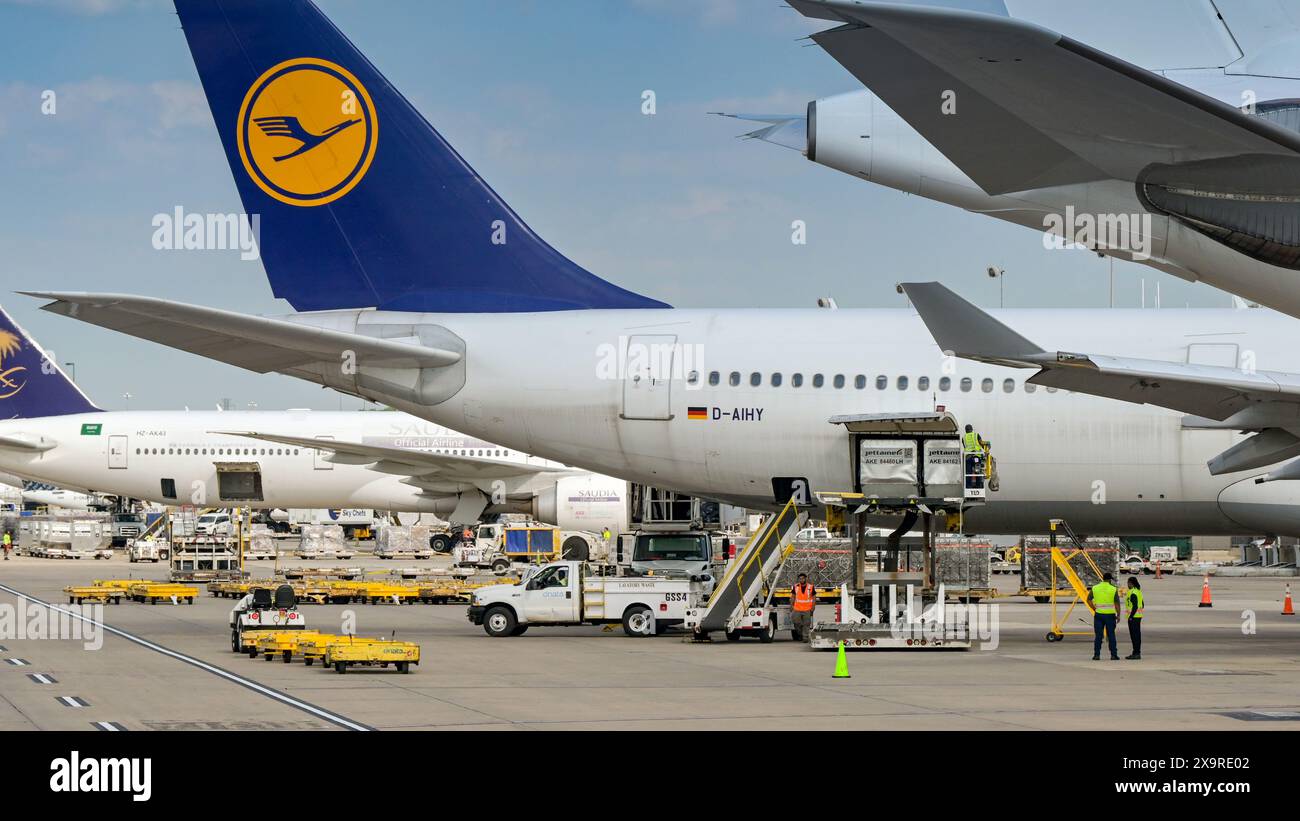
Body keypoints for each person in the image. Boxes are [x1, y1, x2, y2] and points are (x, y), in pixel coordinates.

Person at [1087, 572, 1121, 660]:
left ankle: (1096, 655)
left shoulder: (1095, 588)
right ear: (1109, 580)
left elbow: (1089, 600)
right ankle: (1114, 655)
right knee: (1111, 635)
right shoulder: (1113, 589)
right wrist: (1118, 615)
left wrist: (1094, 608)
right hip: (1110, 615)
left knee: (1098, 635)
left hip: (1099, 615)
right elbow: (1117, 603)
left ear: (1103, 578)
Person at [791, 573, 817, 641]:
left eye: (803, 578)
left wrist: (813, 607)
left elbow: (814, 597)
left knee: (806, 624)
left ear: (806, 579)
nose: (801, 580)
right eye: (800, 578)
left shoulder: (811, 587)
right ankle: (800, 634)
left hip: (807, 609)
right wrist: (791, 605)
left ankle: (805, 637)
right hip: (797, 608)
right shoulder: (795, 586)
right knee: (796, 622)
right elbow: (793, 596)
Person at [962, 424, 986, 489]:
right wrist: (986, 449)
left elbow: (965, 447)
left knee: (968, 473)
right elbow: (982, 444)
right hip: (976, 457)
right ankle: (978, 486)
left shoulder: (963, 438)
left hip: (968, 458)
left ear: (966, 430)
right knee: (977, 471)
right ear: (972, 429)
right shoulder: (976, 435)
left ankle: (968, 487)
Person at [1125, 576, 1144, 660]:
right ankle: (1136, 652)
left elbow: (1135, 606)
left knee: (1134, 636)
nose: (1127, 585)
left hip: (1133, 617)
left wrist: (1131, 616)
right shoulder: (1138, 591)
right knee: (1137, 635)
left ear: (1131, 583)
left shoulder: (1132, 593)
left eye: (1128, 583)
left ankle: (1136, 653)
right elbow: (1142, 604)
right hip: (1138, 616)